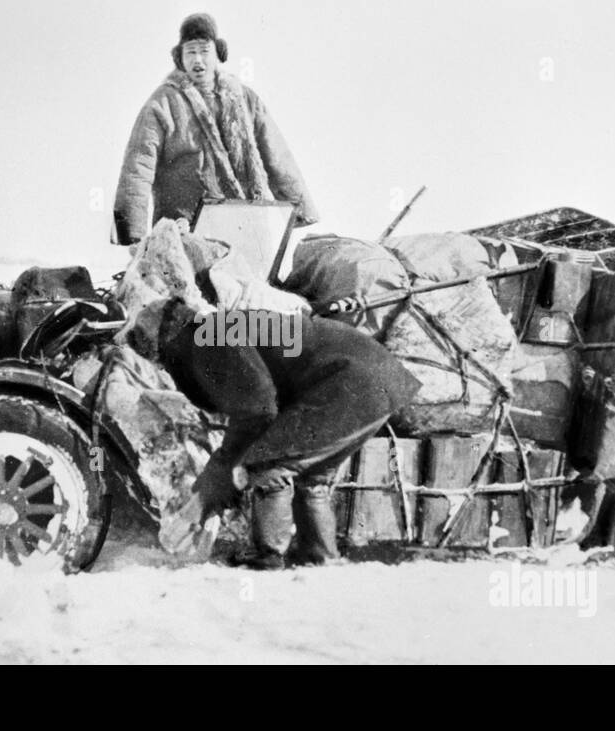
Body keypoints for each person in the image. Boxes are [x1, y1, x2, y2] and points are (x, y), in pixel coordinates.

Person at [115, 223, 421, 569]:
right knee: (312, 476)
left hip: (349, 381)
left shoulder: (210, 338)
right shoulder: (217, 328)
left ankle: (267, 555)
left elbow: (257, 408)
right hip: (378, 378)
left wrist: (221, 473)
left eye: (152, 352)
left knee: (268, 462)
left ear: (162, 342)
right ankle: (318, 556)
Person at [112, 13, 318, 246]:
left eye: (204, 51)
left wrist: (299, 207)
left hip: (245, 229)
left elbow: (277, 155)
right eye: (190, 52)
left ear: (218, 53)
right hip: (184, 233)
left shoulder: (246, 100)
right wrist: (129, 231)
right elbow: (137, 167)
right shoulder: (162, 105)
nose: (198, 60)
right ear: (180, 57)